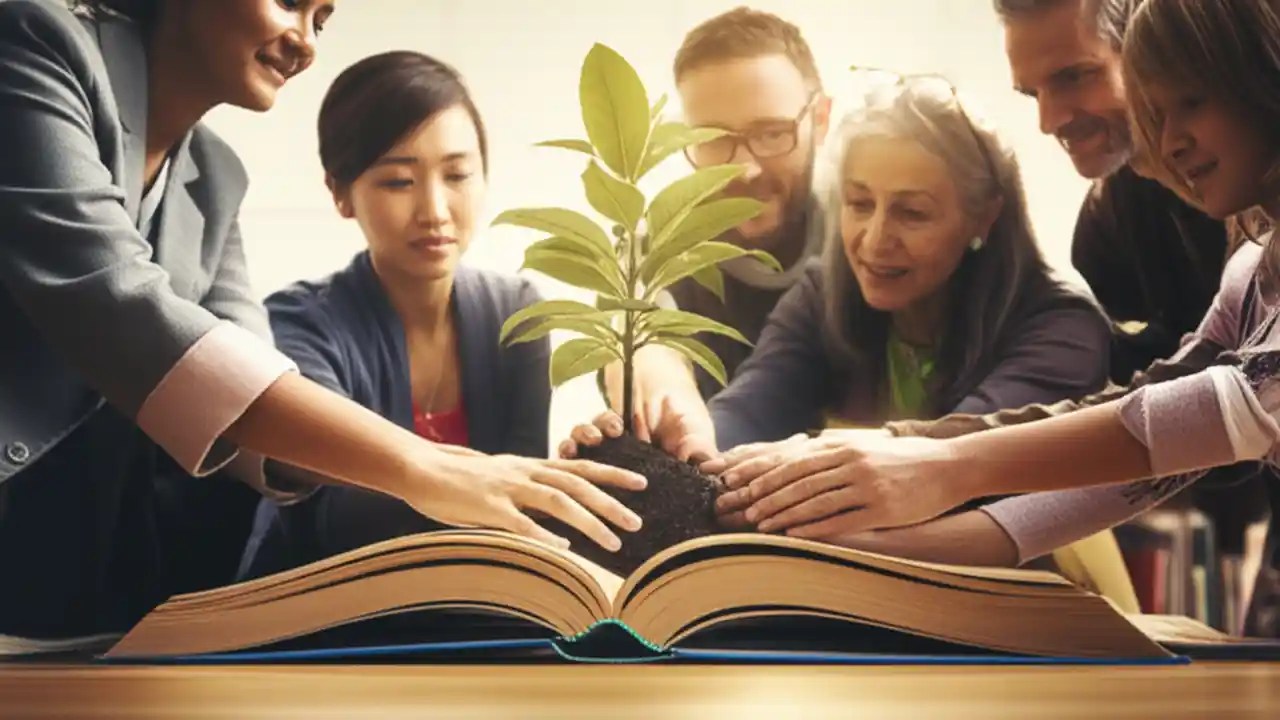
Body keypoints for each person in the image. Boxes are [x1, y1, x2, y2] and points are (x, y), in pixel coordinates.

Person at [0, 0, 641, 639]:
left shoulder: (214, 175)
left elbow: (246, 379)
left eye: (321, 20)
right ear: (341, 191)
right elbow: (116, 304)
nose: (304, 42)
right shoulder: (35, 40)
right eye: (288, 4)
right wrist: (424, 466)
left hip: (96, 585)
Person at [705, 0, 1280, 633]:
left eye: (1192, 102)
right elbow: (1150, 454)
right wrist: (826, 551)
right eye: (859, 203)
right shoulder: (1249, 270)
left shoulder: (1062, 320)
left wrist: (935, 461)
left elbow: (1226, 405)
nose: (1169, 142)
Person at [566, 73, 1111, 513]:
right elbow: (750, 408)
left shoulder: (1063, 329)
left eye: (912, 212)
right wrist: (674, 452)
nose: (874, 240)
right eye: (859, 203)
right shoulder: (823, 294)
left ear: (984, 217)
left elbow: (949, 460)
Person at [237, 51, 560, 577]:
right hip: (321, 604)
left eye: (457, 175)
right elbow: (331, 517)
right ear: (341, 193)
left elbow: (521, 501)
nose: (434, 210)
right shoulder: (299, 323)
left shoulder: (517, 314)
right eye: (398, 182)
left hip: (481, 601)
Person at [599, 7, 833, 461]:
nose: (744, 168)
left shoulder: (868, 233)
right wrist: (664, 394)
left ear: (820, 119)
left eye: (772, 133)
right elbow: (645, 341)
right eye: (712, 139)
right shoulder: (654, 249)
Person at [995, 0, 1231, 384]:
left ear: (1155, 51)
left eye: (1074, 77)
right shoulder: (1106, 233)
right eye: (1032, 94)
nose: (1049, 121)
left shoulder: (1253, 195)